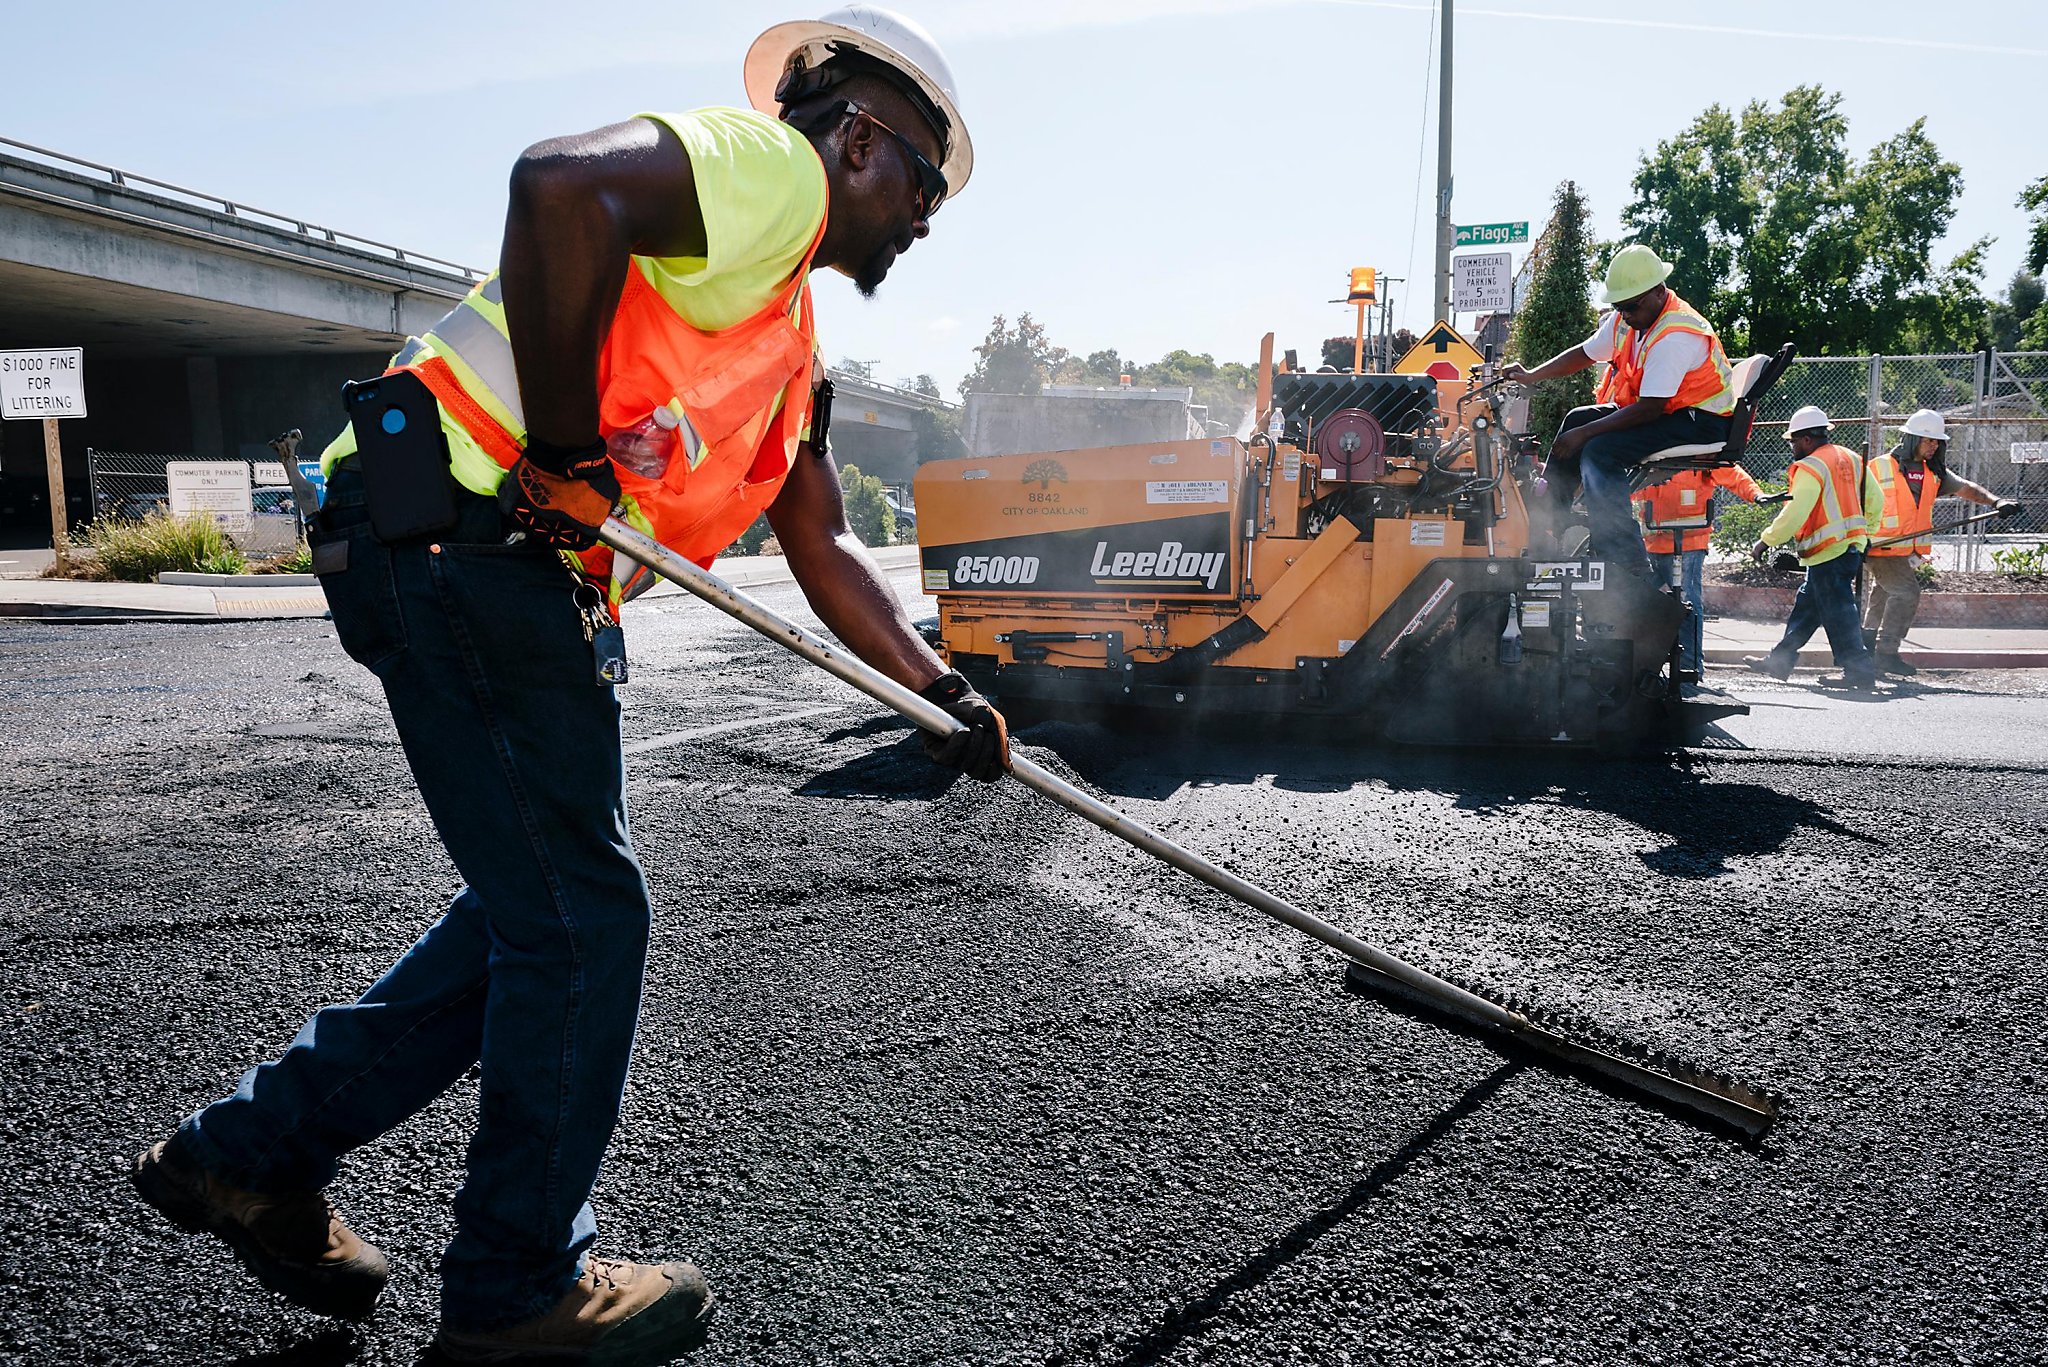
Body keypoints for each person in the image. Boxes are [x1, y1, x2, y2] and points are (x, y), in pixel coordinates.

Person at [129, 9, 1007, 1363]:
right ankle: (516, 1282)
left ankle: (245, 1152)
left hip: (465, 563)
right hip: (470, 541)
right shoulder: (772, 173)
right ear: (861, 139)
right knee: (583, 919)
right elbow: (559, 183)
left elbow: (823, 546)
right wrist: (567, 454)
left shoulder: (781, 343)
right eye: (926, 188)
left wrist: (940, 688)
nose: (926, 222)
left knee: (531, 915)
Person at [1499, 244, 1737, 583]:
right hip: (1668, 411)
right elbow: (1584, 353)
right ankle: (1547, 521)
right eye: (1618, 307)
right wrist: (1533, 374)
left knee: (1600, 450)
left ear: (1658, 292)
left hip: (1702, 421)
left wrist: (1584, 436)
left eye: (1631, 306)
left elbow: (1650, 408)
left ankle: (1625, 561)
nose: (1624, 314)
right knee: (1578, 418)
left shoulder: (1676, 334)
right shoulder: (1628, 321)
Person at [1862, 407, 2021, 675]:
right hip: (1878, 546)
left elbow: (1966, 488)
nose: (1934, 446)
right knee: (1906, 592)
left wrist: (1996, 501)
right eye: (1929, 440)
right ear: (1911, 438)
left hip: (1905, 549)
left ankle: (1864, 649)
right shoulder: (1878, 466)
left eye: (1938, 441)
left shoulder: (1933, 472)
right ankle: (1885, 653)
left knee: (1884, 593)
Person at [1741, 407, 1884, 690]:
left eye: (1793, 441)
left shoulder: (1811, 466)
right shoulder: (1851, 458)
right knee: (1807, 609)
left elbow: (1796, 510)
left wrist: (1766, 540)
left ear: (1806, 439)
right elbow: (1876, 499)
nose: (1792, 446)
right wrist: (1866, 536)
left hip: (1829, 551)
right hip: (1844, 550)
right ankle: (1779, 660)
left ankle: (1858, 670)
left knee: (1839, 611)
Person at [1631, 463, 1764, 674]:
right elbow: (1627, 487)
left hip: (1688, 545)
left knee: (1687, 603)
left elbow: (1732, 474)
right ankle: (1649, 666)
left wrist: (1755, 494)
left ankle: (1690, 667)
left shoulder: (1699, 456)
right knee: (1644, 601)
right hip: (1652, 543)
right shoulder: (1653, 455)